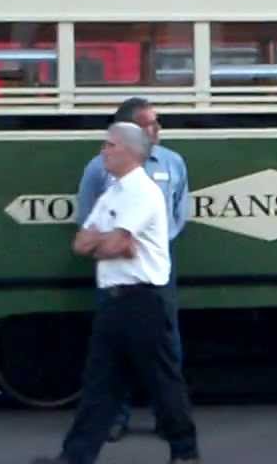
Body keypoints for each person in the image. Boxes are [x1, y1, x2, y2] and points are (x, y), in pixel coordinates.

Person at [33, 122, 200, 464]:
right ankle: (75, 457)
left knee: (162, 381)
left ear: (128, 150)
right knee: (99, 385)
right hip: (113, 301)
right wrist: (106, 243)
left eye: (109, 145)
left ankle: (185, 451)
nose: (103, 151)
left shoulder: (142, 192)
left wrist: (107, 242)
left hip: (143, 301)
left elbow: (116, 243)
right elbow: (83, 243)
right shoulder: (113, 193)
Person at [76, 97, 190, 442]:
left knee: (166, 354)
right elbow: (86, 223)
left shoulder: (173, 162)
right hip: (116, 278)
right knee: (112, 360)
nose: (156, 130)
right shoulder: (99, 169)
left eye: (157, 123)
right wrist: (113, 242)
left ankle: (171, 425)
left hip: (155, 275)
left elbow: (178, 213)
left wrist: (144, 242)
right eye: (147, 125)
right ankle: (115, 418)